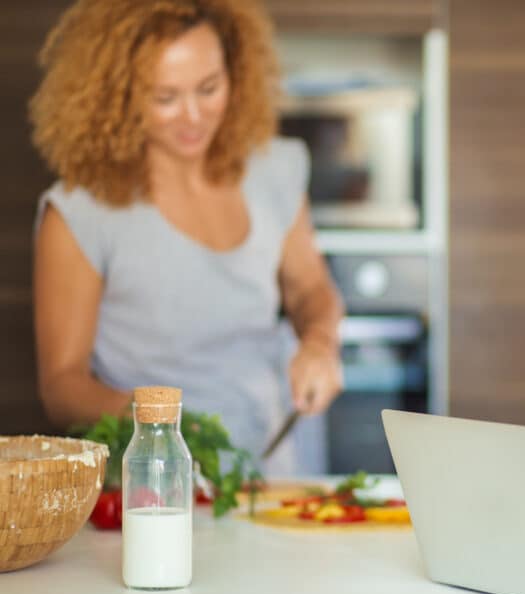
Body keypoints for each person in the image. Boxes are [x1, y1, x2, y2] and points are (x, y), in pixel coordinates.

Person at [29, 0, 344, 474]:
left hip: (276, 461)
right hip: (157, 479)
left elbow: (309, 288)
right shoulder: (80, 212)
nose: (193, 116)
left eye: (209, 88)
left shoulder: (271, 169)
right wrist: (166, 425)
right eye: (165, 97)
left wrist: (319, 343)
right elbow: (62, 385)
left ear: (235, 73)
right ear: (120, 93)